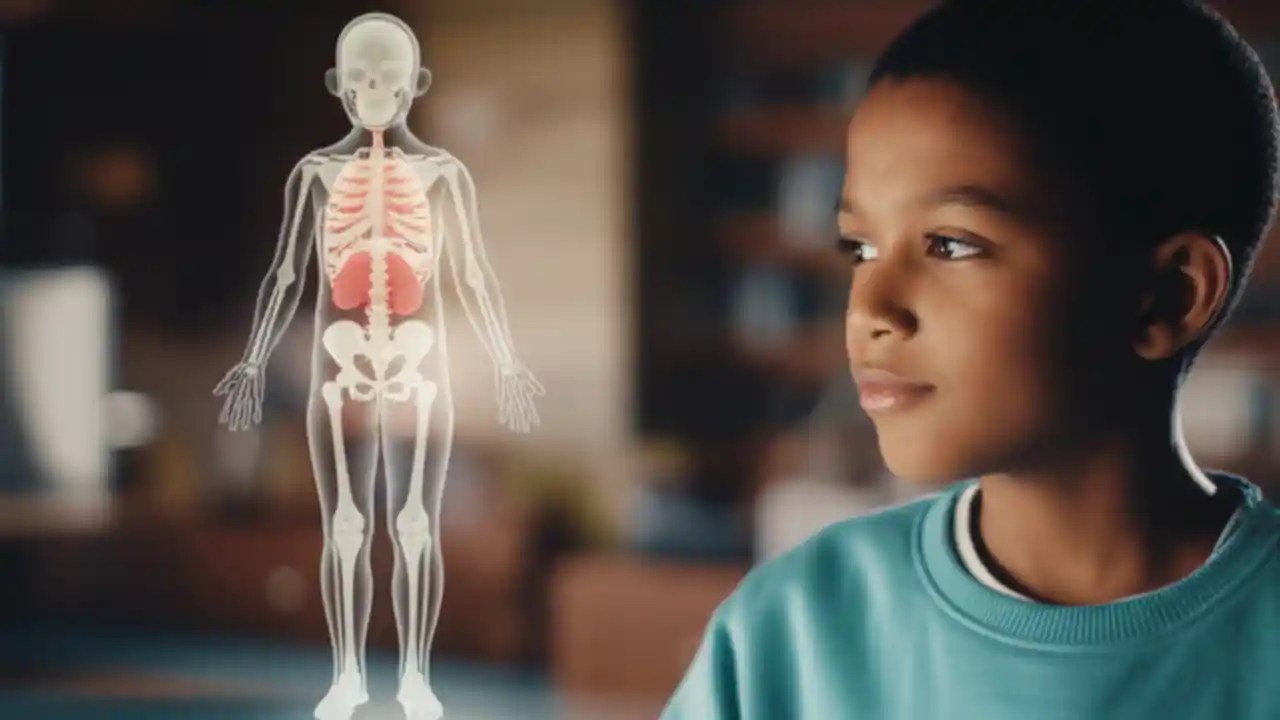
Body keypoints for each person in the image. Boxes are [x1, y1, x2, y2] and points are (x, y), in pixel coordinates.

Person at [661, 1, 1280, 717]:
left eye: (950, 245)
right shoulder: (789, 632)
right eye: (860, 248)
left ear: (1166, 296)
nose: (869, 309)